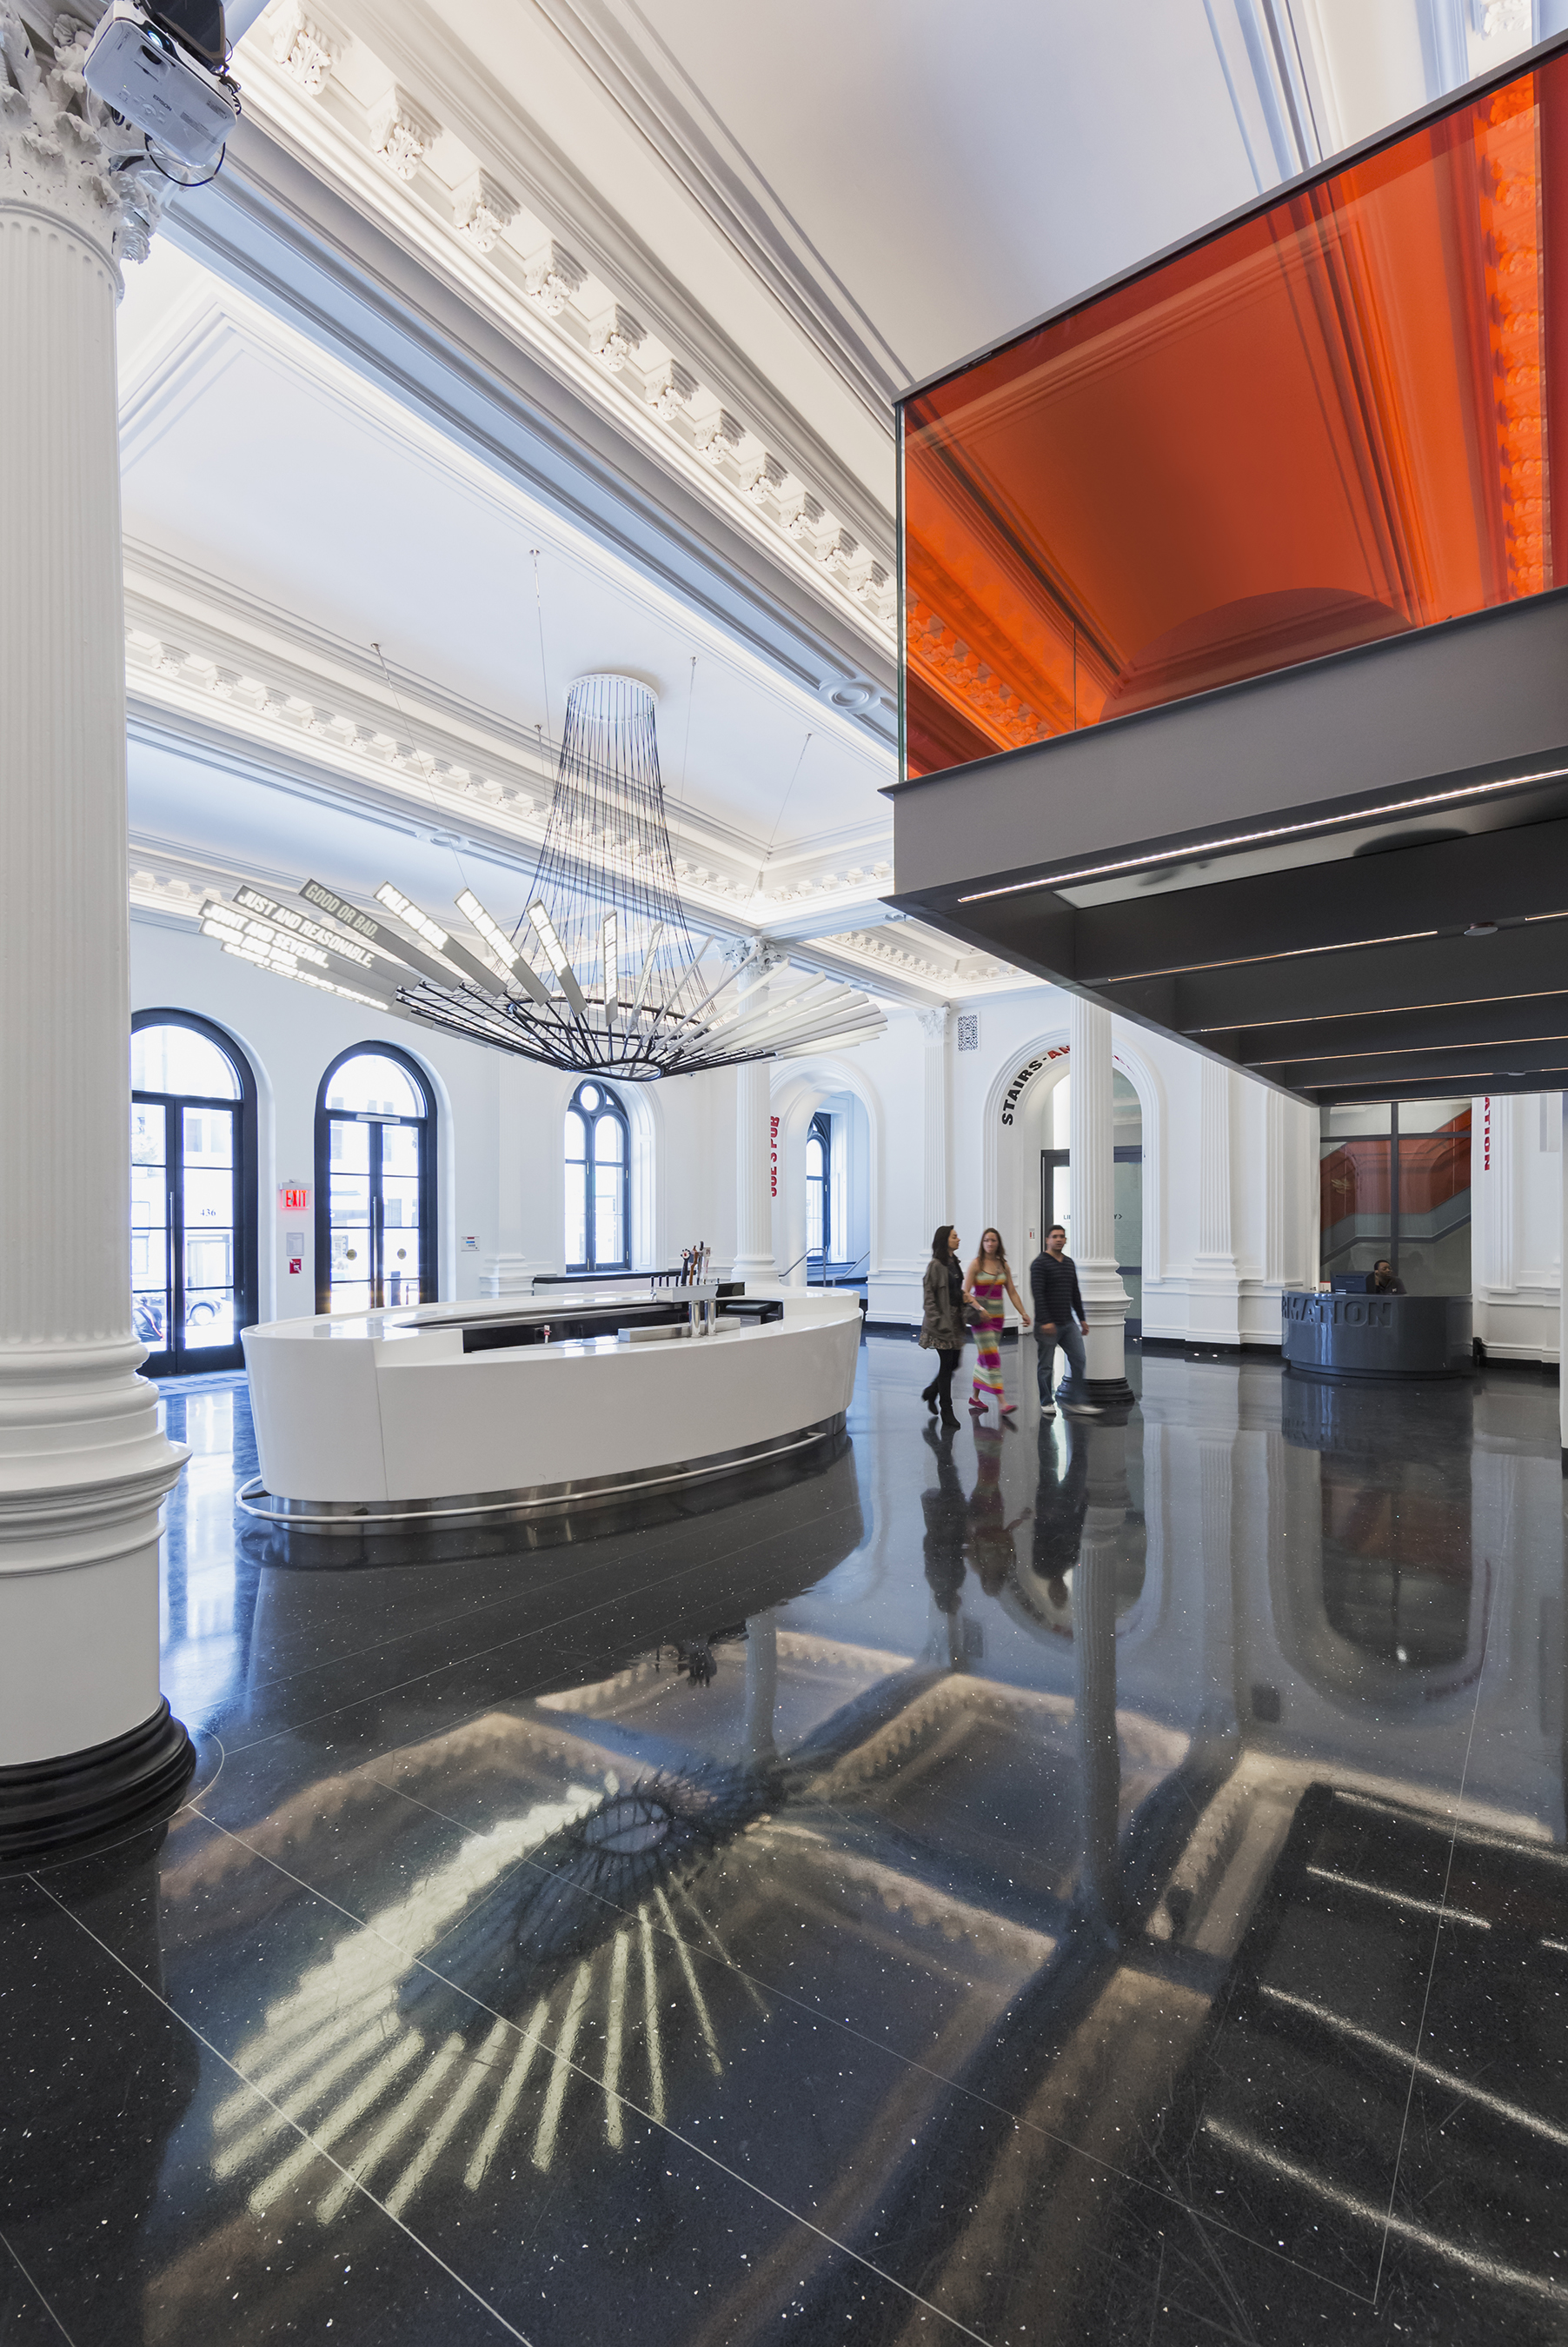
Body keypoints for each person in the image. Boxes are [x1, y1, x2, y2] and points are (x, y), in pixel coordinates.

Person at [1029, 1223, 1100, 1419]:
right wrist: (1045, 1321)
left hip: (1068, 1323)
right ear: (1047, 1239)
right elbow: (1038, 1294)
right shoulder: (1039, 1264)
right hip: (1047, 1324)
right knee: (1046, 1366)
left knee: (1079, 1359)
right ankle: (1046, 1401)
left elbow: (1074, 1293)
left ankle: (1077, 1400)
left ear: (1065, 1240)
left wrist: (1082, 1319)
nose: (1059, 1239)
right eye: (1055, 1236)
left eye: (1062, 1236)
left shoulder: (1069, 1263)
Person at [963, 1227, 1030, 1418]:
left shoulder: (1003, 1266)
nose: (990, 1244)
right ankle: (1002, 1403)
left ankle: (975, 1398)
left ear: (998, 1243)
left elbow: (1012, 1292)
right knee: (992, 1358)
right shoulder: (976, 1264)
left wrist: (1023, 1313)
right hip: (980, 1319)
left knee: (985, 1356)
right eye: (986, 1240)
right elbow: (965, 1293)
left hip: (997, 1319)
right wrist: (979, 1308)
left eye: (993, 1240)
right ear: (982, 1243)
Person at [918, 1225, 967, 1426]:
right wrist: (936, 1319)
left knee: (955, 1363)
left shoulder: (954, 1262)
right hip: (942, 1323)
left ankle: (931, 1392)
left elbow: (956, 1291)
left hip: (956, 1320)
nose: (959, 1239)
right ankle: (947, 1410)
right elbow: (929, 1296)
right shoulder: (935, 1265)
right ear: (944, 1240)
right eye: (955, 1236)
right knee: (946, 1366)